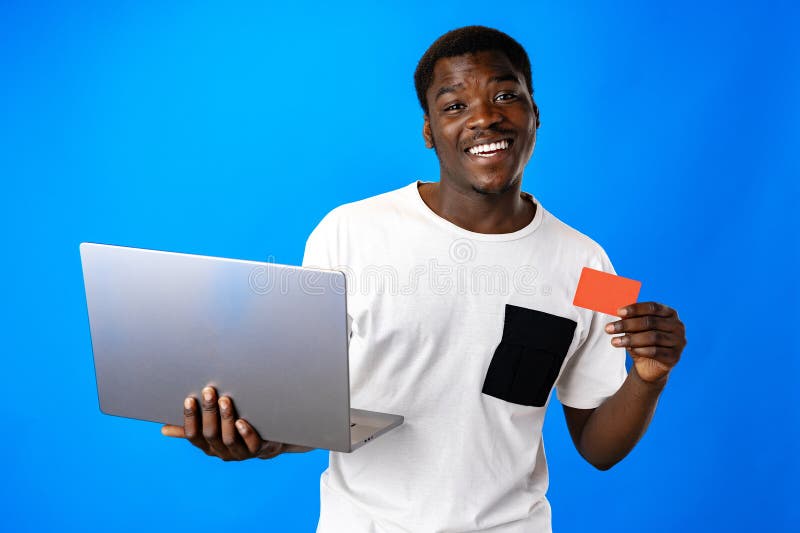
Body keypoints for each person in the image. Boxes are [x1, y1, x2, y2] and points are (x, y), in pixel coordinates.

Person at [162, 25, 687, 532]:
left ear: (535, 114)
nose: (484, 118)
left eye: (506, 96)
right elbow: (302, 411)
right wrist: (257, 438)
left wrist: (649, 378)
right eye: (455, 105)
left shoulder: (592, 265)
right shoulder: (347, 232)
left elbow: (598, 448)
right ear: (429, 133)